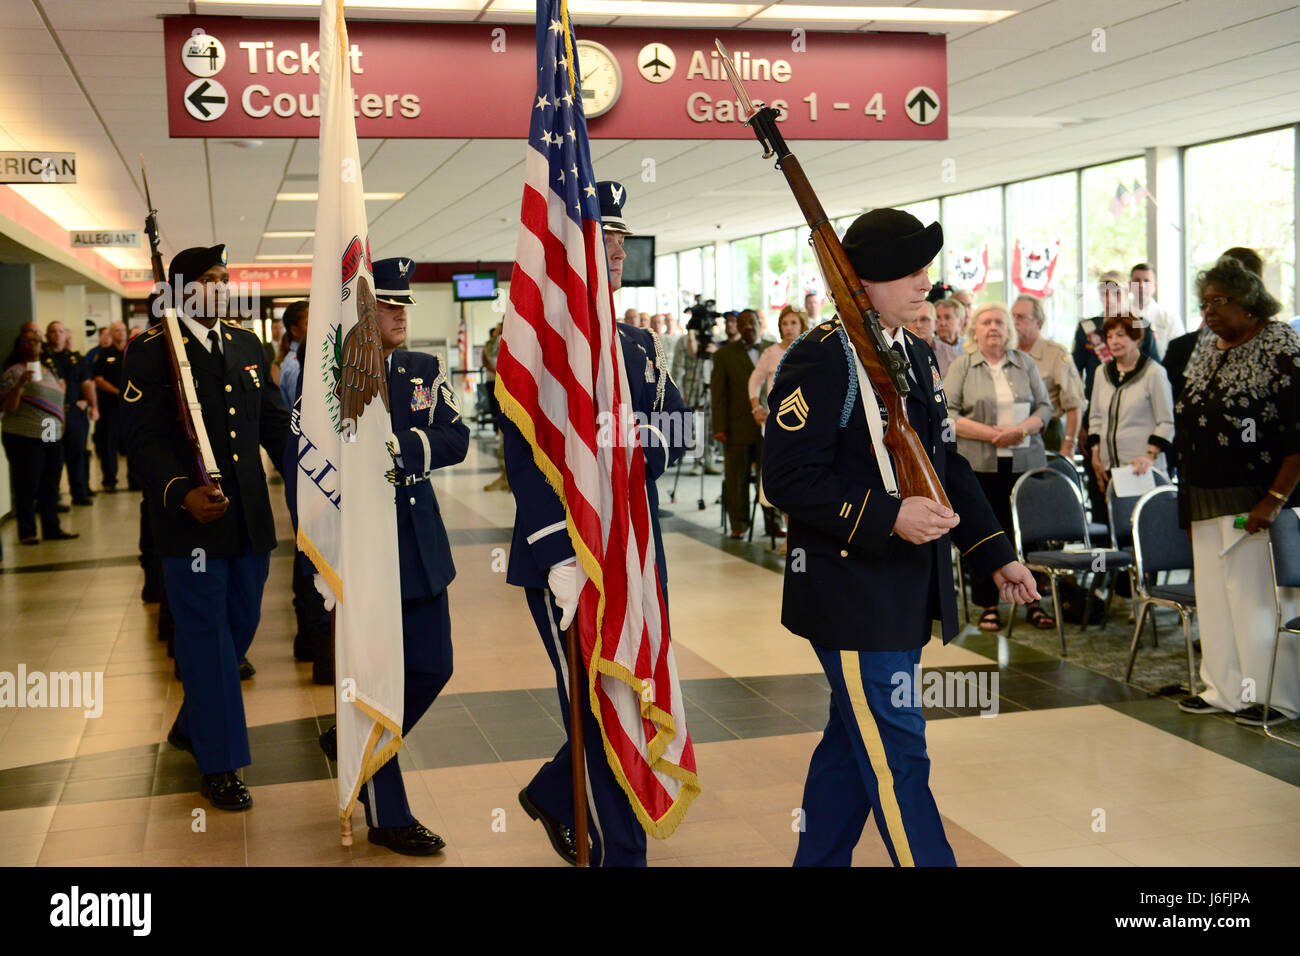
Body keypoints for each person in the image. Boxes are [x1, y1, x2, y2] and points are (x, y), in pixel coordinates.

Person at [762, 208, 1040, 867]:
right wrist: (889, 517)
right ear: (864, 281)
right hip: (852, 593)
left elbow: (946, 468)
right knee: (897, 754)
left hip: (902, 591)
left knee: (849, 751)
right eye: (909, 269)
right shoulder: (819, 360)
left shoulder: (913, 353)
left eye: (924, 267)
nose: (925, 280)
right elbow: (789, 479)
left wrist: (995, 555)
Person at [504, 180, 688, 867]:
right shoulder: (539, 345)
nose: (614, 249)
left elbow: (676, 431)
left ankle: (558, 793)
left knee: (632, 687)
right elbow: (527, 457)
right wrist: (559, 556)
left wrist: (622, 451)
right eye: (598, 238)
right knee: (590, 699)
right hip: (569, 557)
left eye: (619, 239)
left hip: (635, 548)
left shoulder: (638, 343)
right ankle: (619, 854)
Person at [121, 244, 289, 812]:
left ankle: (194, 723)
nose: (222, 286)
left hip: (248, 523)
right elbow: (141, 439)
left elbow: (272, 424)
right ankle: (221, 765)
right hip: (191, 524)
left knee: (239, 629)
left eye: (225, 278)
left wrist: (318, 480)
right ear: (180, 289)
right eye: (211, 279)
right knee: (209, 641)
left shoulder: (245, 344)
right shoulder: (152, 352)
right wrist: (180, 493)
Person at [353, 256, 469, 854]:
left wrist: (403, 446)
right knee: (381, 682)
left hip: (419, 542)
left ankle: (356, 745)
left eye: (403, 305)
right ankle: (388, 814)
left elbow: (456, 436)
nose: (399, 315)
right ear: (363, 311)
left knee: (434, 666)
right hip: (365, 546)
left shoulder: (424, 367)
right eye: (387, 305)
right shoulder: (337, 376)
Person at [1174, 256, 1300, 725]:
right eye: (1204, 303)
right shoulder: (1209, 345)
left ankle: (1272, 696)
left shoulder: (1282, 343)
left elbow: (1296, 432)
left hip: (1255, 497)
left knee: (1256, 600)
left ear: (1250, 305)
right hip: (1205, 494)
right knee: (1214, 597)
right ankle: (1222, 689)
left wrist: (1276, 498)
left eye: (1219, 302)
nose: (1208, 312)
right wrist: (1184, 502)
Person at [945, 303, 1055, 632]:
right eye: (986, 323)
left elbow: (1045, 406)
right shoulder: (963, 365)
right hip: (980, 463)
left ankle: (1033, 602)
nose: (993, 328)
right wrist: (991, 434)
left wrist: (1021, 429)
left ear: (1008, 329)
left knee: (1028, 533)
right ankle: (988, 604)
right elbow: (946, 414)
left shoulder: (1024, 363)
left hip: (1025, 462)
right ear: (974, 331)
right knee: (985, 531)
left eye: (999, 322)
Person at [1, 327, 78, 544]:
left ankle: (52, 528)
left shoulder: (48, 370)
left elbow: (57, 401)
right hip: (24, 434)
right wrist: (20, 385)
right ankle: (27, 532)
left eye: (36, 341)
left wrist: (61, 425)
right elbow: (9, 407)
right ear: (19, 346)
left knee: (50, 483)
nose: (32, 344)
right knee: (28, 483)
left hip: (49, 433)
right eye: (27, 340)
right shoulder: (13, 372)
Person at [1086, 314, 1175, 493]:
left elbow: (1166, 422)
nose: (1114, 341)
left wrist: (1151, 455)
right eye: (1109, 336)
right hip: (1108, 469)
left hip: (1141, 468)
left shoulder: (1154, 372)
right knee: (1113, 519)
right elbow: (1095, 418)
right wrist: (1095, 454)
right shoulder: (1101, 372)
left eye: (1120, 335)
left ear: (1137, 338)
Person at [712, 308, 781, 539]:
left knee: (770, 475)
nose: (747, 327)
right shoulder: (724, 355)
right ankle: (738, 524)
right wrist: (719, 427)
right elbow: (718, 394)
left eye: (751, 322)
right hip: (737, 426)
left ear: (759, 323)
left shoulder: (775, 349)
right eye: (742, 324)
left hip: (770, 426)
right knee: (736, 478)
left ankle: (774, 523)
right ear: (737, 328)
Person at [1165, 247, 1263, 401]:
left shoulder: (1275, 339)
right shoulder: (1209, 337)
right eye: (1207, 302)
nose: (1210, 310)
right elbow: (1189, 393)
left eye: (1219, 300)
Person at [1012, 294, 1084, 455]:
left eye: (1021, 317)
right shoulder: (1005, 352)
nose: (1014, 321)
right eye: (1012, 316)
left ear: (1038, 322)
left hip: (1047, 434)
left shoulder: (1056, 354)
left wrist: (1069, 445)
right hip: (1011, 433)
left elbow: (1074, 403)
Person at [44, 321, 97, 506]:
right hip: (49, 417)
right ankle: (52, 498)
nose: (58, 335)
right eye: (54, 331)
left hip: (74, 413)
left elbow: (87, 384)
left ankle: (79, 493)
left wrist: (93, 406)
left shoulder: (75, 359)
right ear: (47, 335)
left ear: (65, 335)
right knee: (51, 456)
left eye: (61, 331)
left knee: (77, 454)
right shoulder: (42, 358)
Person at [92, 321, 128, 491]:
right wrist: (118, 393)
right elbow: (98, 380)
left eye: (122, 330)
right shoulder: (104, 354)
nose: (120, 333)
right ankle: (109, 481)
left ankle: (136, 481)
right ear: (111, 334)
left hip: (131, 407)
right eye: (116, 331)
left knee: (133, 444)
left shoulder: (133, 352)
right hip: (110, 407)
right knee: (108, 446)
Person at [1130, 262, 1180, 358]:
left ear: (1155, 286)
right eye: (1137, 281)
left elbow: (1179, 349)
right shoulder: (1120, 316)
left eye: (1146, 281)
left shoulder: (1168, 316)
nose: (1141, 285)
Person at [482, 322, 508, 491]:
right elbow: (488, 355)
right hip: (501, 388)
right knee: (504, 432)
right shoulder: (499, 342)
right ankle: (505, 475)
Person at [276, 300, 309, 407]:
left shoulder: (306, 359)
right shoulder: (296, 365)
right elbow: (301, 409)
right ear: (294, 330)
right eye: (308, 323)